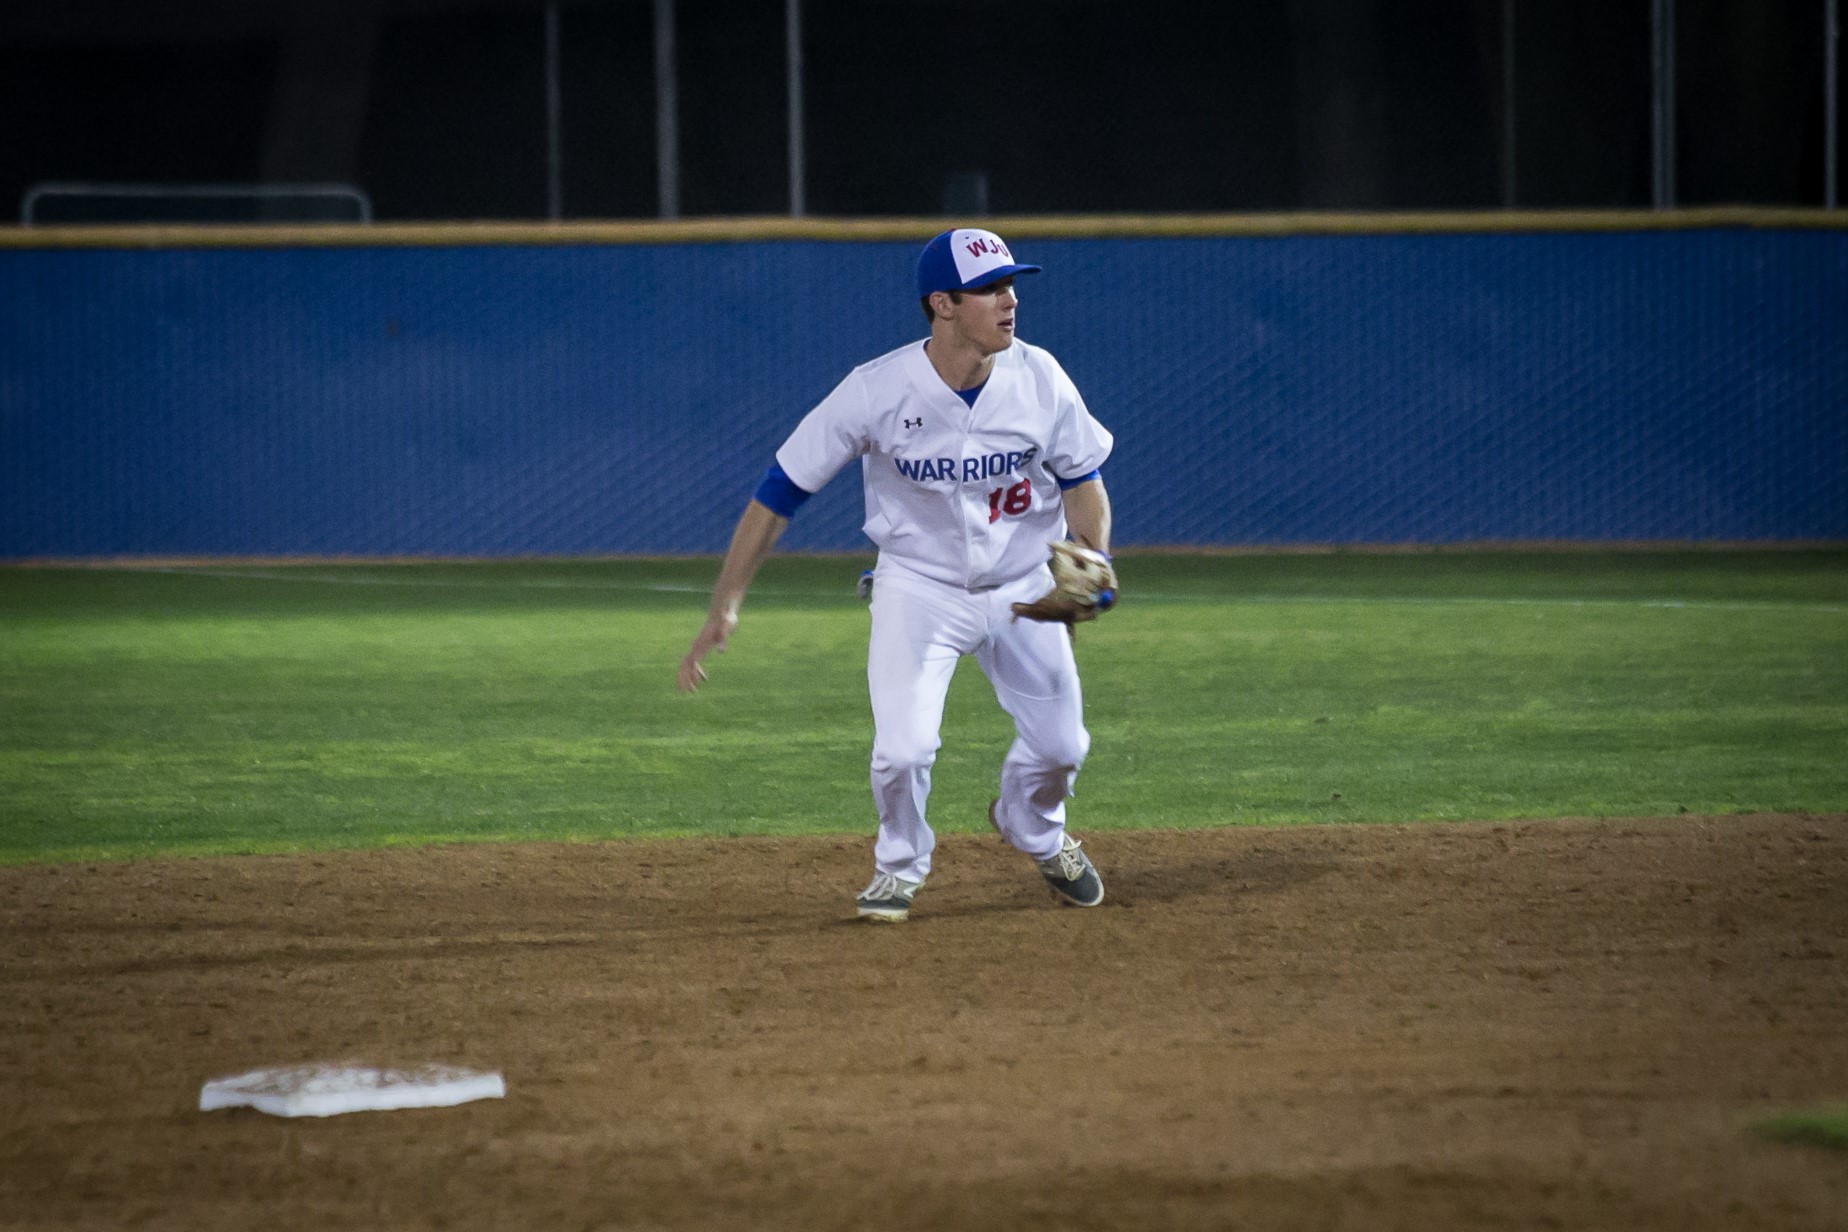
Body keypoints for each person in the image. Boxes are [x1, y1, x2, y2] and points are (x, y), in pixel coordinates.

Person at [676, 228, 1116, 922]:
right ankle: (897, 868)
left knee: (1064, 748)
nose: (1011, 301)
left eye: (1011, 286)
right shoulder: (875, 390)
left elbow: (1083, 479)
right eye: (991, 290)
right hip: (920, 588)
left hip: (1025, 587)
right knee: (902, 753)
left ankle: (1033, 826)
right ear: (942, 304)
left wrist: (1094, 556)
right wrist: (724, 604)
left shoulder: (1040, 377)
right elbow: (780, 490)